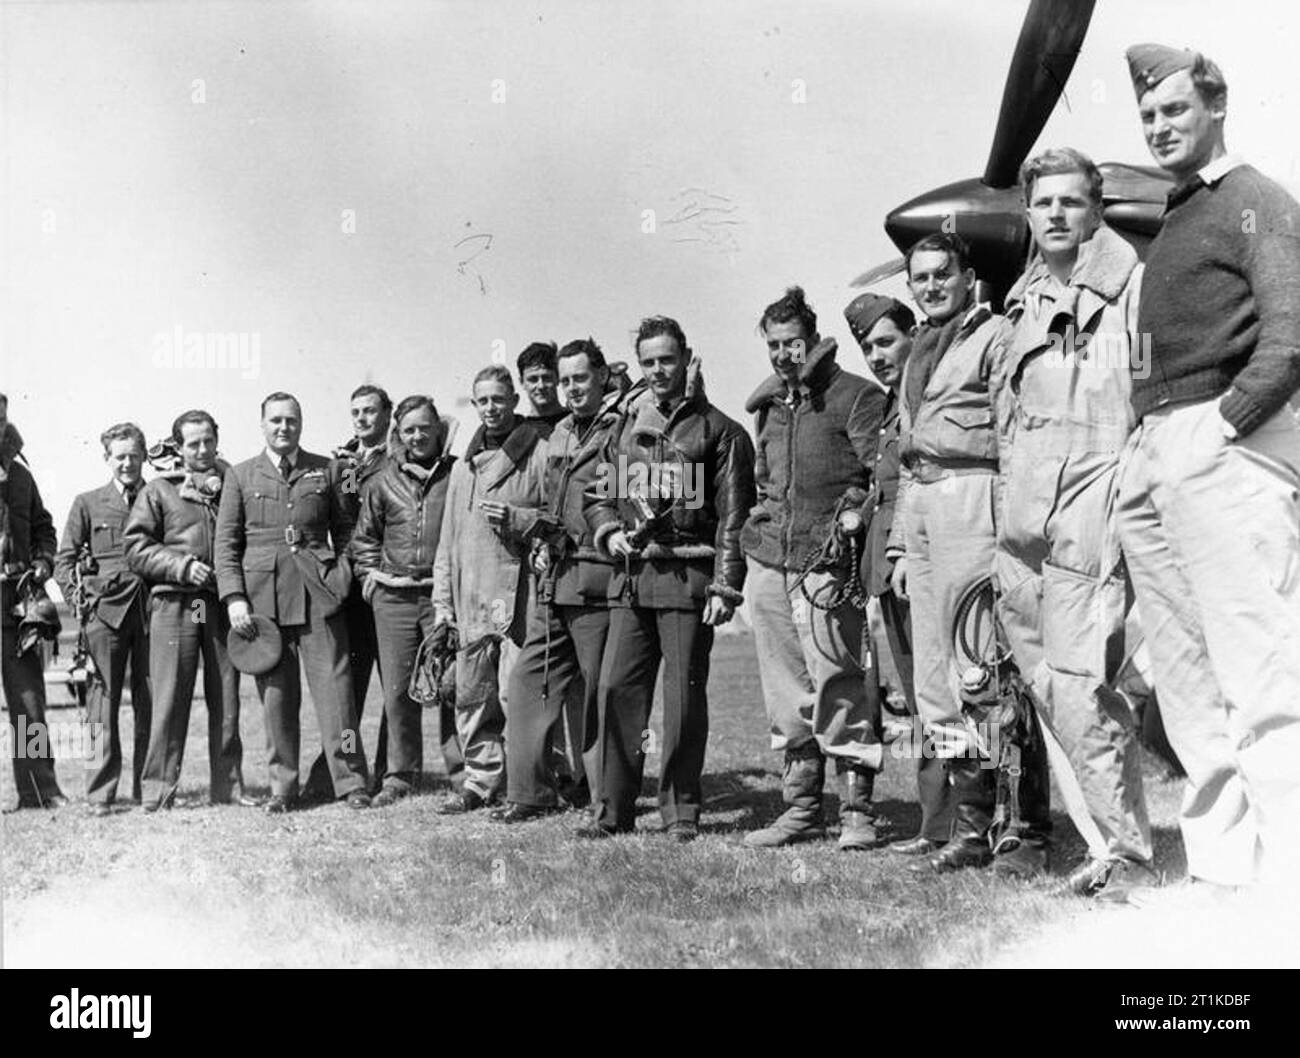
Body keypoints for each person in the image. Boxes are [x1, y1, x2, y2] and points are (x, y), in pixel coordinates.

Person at [1117, 44, 1300, 889]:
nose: (1159, 126)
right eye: (1150, 115)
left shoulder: (1255, 200)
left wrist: (1222, 426)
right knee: (1187, 687)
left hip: (1223, 450)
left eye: (1176, 110)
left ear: (1216, 107)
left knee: (1260, 676)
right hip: (1158, 453)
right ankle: (1226, 874)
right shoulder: (1177, 217)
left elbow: (1291, 337)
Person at [992, 146, 1154, 891]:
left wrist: (1131, 500)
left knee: (1085, 684)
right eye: (1043, 202)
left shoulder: (1133, 289)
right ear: (1028, 214)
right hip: (1021, 522)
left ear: (1095, 210)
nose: (1055, 213)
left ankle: (1126, 854)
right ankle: (1101, 843)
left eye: (1071, 201)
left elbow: (1153, 401)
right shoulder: (1020, 302)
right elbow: (1006, 419)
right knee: (1047, 687)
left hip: (1092, 505)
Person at [888, 233, 1048, 873]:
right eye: (919, 277)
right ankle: (970, 826)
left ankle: (1024, 828)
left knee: (982, 669)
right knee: (934, 679)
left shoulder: (994, 336)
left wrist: (1012, 533)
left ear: (968, 276)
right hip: (924, 506)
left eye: (941, 275)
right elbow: (907, 457)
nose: (931, 286)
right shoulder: (919, 349)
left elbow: (1012, 438)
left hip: (973, 498)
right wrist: (900, 541)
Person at [580, 316, 756, 841]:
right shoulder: (623, 429)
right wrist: (608, 531)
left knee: (682, 700)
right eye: (648, 361)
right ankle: (612, 811)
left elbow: (734, 517)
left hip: (687, 579)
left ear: (687, 358)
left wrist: (726, 585)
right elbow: (597, 496)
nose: (658, 370)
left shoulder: (721, 432)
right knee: (614, 690)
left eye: (667, 359)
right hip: (631, 579)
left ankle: (680, 812)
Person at [740, 287, 887, 851]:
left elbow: (882, 476)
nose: (783, 354)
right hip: (770, 561)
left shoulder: (857, 397)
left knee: (839, 685)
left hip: (827, 566)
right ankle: (801, 810)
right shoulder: (770, 409)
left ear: (813, 338)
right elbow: (764, 482)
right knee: (785, 695)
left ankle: (857, 814)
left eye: (791, 342)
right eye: (773, 345)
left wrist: (852, 511)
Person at [214, 392, 371, 812]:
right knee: (276, 699)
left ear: (302, 424)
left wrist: (339, 577)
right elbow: (226, 545)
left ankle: (352, 780)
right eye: (276, 421)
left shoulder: (330, 469)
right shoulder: (240, 475)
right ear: (262, 424)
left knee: (338, 694)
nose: (284, 428)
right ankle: (283, 789)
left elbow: (350, 528)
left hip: (320, 595)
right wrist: (234, 599)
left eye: (292, 421)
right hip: (264, 601)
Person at [494, 339, 623, 823]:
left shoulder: (622, 430)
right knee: (528, 679)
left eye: (579, 379)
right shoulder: (560, 434)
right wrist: (541, 535)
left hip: (599, 577)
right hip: (555, 578)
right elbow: (552, 502)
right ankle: (528, 792)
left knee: (597, 693)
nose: (569, 389)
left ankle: (604, 798)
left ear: (603, 377)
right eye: (564, 380)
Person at [844, 292, 953, 856]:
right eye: (868, 347)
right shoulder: (892, 407)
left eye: (885, 341)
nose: (876, 354)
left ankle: (966, 821)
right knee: (918, 700)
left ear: (913, 336)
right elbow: (882, 487)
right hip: (890, 572)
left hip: (926, 562)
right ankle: (937, 824)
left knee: (948, 694)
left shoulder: (928, 399)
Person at [432, 365, 548, 813]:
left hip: (520, 596)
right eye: (483, 400)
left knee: (515, 693)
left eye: (499, 399)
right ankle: (480, 781)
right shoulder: (463, 465)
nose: (491, 408)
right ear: (474, 404)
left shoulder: (538, 454)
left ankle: (527, 785)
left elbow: (557, 522)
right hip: (471, 598)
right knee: (473, 694)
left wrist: (523, 524)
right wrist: (444, 604)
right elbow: (447, 541)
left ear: (514, 401)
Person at [124, 409, 249, 809]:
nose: (202, 449)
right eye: (193, 443)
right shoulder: (159, 490)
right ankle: (159, 791)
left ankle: (228, 788)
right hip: (176, 605)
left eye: (208, 440)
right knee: (170, 698)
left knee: (227, 697)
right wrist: (181, 566)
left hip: (218, 605)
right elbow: (136, 548)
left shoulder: (235, 482)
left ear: (217, 439)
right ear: (178, 447)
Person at [350, 395, 456, 805]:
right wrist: (370, 577)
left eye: (424, 428)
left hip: (440, 596)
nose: (417, 437)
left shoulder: (456, 476)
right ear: (399, 433)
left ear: (437, 430)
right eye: (409, 429)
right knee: (397, 690)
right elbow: (363, 539)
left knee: (451, 684)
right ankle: (400, 774)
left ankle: (463, 770)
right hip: (392, 599)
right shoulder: (382, 481)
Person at [54, 422, 153, 814]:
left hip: (152, 612)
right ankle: (100, 793)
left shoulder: (160, 496)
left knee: (152, 700)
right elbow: (65, 560)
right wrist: (80, 606)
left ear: (144, 455)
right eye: (120, 456)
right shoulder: (87, 502)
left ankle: (150, 788)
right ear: (107, 458)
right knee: (101, 704)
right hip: (104, 616)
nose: (127, 463)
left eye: (133, 455)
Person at [1, 394, 67, 810]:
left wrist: (43, 560)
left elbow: (45, 528)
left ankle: (40, 791)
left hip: (15, 605)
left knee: (29, 704)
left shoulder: (22, 477)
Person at [517, 341, 568, 435]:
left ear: (557, 378)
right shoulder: (518, 434)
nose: (541, 386)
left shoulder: (577, 422)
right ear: (522, 382)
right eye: (533, 379)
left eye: (546, 378)